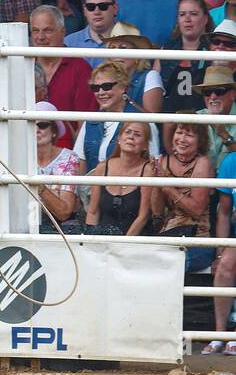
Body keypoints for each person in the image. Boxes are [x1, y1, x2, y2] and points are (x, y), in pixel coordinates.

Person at [152, 121, 216, 274]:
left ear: (200, 140)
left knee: (168, 265)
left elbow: (196, 210)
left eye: (189, 135)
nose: (182, 139)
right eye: (179, 133)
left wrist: (168, 188)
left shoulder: (203, 163)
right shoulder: (163, 162)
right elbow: (157, 212)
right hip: (168, 237)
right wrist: (155, 182)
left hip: (198, 240)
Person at [75, 61, 161, 172]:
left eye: (106, 86)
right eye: (95, 88)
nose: (100, 92)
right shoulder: (91, 121)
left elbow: (153, 164)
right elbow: (80, 162)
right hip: (92, 187)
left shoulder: (143, 120)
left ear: (123, 87)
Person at [84, 120, 157, 235]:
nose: (131, 137)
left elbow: (143, 216)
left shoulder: (148, 170)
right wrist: (91, 241)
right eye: (128, 132)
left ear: (145, 146)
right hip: (103, 238)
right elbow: (93, 212)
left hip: (135, 240)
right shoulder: (102, 168)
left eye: (137, 135)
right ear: (119, 139)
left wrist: (123, 244)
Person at [33, 101, 81, 229]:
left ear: (54, 131)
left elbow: (64, 213)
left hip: (58, 229)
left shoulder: (69, 158)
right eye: (32, 124)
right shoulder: (19, 157)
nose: (36, 129)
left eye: (42, 125)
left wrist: (39, 187)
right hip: (26, 223)